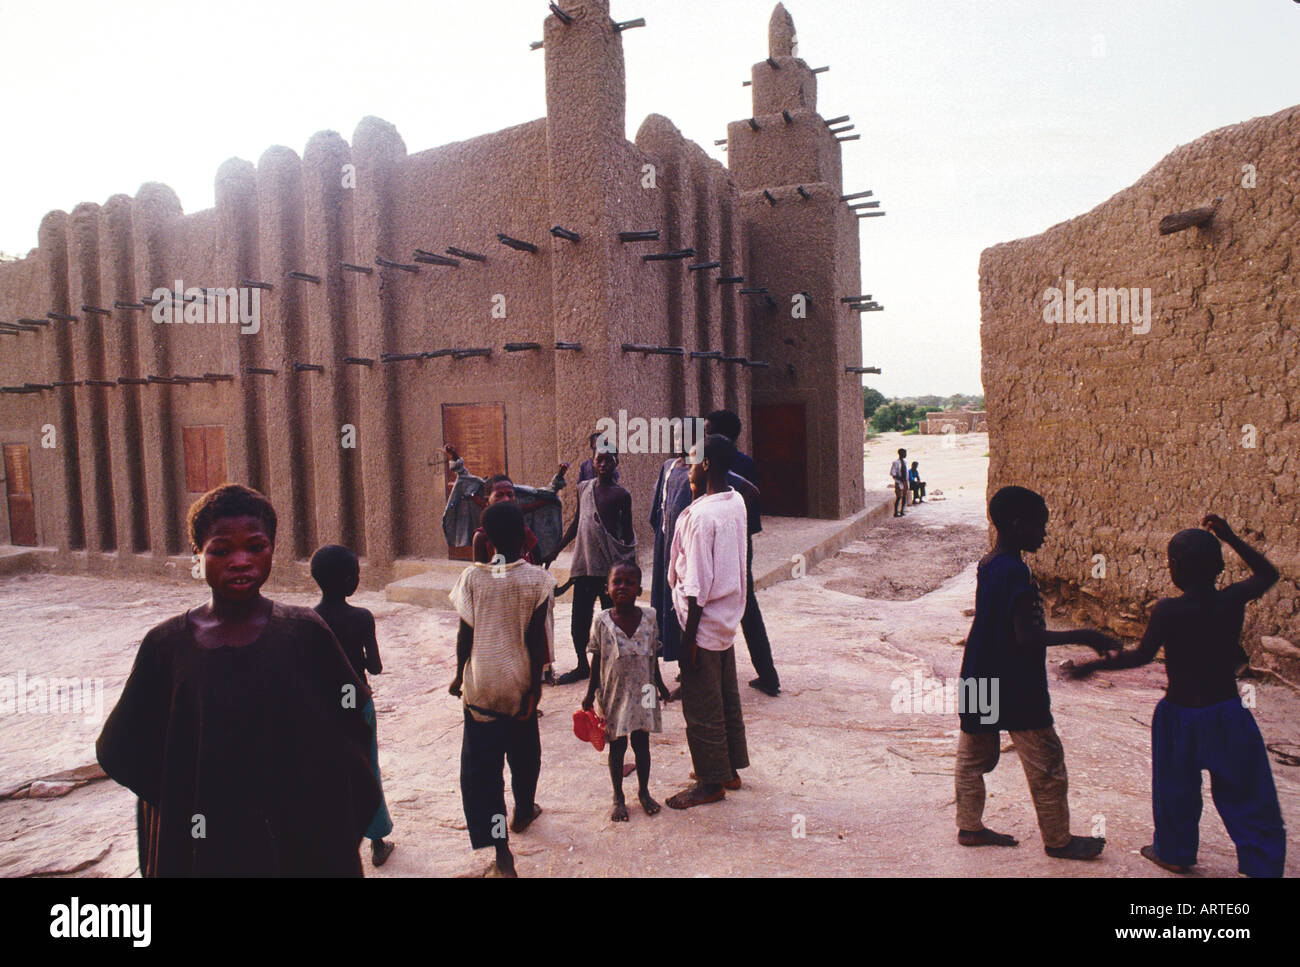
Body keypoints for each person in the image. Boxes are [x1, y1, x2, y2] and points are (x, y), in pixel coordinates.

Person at [96, 485, 380, 876]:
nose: (241, 561)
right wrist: (184, 797)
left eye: (256, 546)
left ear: (273, 549)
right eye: (221, 550)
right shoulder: (167, 646)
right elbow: (120, 749)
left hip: (298, 843)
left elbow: (352, 725)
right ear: (198, 554)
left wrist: (331, 816)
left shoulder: (304, 633)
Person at [1067, 514, 1284, 877]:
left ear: (1176, 568)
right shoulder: (1232, 600)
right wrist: (1230, 537)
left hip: (1179, 715)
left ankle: (1174, 852)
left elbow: (1140, 656)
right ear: (1218, 566)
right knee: (1247, 793)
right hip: (1227, 712)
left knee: (1175, 792)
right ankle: (1263, 865)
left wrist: (1093, 666)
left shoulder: (1168, 609)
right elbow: (1268, 574)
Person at [954, 485, 1121, 859]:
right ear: (1017, 525)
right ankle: (1059, 840)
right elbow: (1027, 638)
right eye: (1039, 526)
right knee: (1047, 764)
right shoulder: (1017, 572)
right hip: (1016, 684)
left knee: (973, 757)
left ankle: (969, 826)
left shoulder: (989, 563)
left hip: (980, 673)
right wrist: (1086, 634)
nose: (1044, 533)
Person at [449, 501, 554, 877]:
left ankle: (503, 854)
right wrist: (534, 693)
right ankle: (524, 809)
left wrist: (460, 677)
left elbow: (466, 635)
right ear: (525, 535)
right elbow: (537, 641)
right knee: (525, 757)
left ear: (487, 540)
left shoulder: (473, 579)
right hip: (518, 686)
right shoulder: (538, 580)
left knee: (484, 775)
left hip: (482, 688)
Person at [665, 434, 750, 809]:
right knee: (725, 697)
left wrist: (688, 642)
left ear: (708, 465)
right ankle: (728, 768)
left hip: (701, 623)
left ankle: (710, 782)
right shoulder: (736, 502)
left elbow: (696, 586)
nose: (687, 467)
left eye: (693, 460)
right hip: (727, 620)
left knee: (701, 707)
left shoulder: (701, 516)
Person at [311, 544, 395, 868]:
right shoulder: (361, 617)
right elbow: (374, 667)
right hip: (357, 702)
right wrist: (356, 658)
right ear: (349, 580)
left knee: (330, 770)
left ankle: (335, 838)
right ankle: (377, 841)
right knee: (367, 767)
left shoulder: (310, 618)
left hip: (323, 706)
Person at [583, 562, 672, 821]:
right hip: (613, 693)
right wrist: (590, 694)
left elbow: (652, 654)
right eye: (617, 582)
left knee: (642, 745)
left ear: (639, 589)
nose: (622, 587)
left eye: (629, 583)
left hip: (644, 692)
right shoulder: (601, 620)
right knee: (617, 746)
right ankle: (618, 797)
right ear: (607, 589)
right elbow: (597, 658)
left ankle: (644, 792)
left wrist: (661, 685)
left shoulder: (650, 617)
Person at [706, 409, 780, 697]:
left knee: (709, 604)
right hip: (740, 543)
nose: (705, 434)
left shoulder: (718, 463)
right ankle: (767, 675)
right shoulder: (745, 462)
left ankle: (704, 672)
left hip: (726, 543)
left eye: (709, 429)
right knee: (746, 607)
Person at [547, 450, 636, 685]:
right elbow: (578, 521)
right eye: (600, 459)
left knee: (612, 622)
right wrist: (557, 549)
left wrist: (628, 568)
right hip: (585, 567)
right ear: (592, 461)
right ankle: (582, 665)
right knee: (579, 623)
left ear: (617, 461)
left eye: (609, 459)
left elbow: (626, 534)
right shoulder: (584, 488)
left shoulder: (621, 495)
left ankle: (616, 666)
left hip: (610, 571)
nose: (604, 463)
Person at [441, 444, 568, 565]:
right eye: (499, 495)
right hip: (497, 580)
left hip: (523, 579)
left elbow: (536, 562)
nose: (506, 499)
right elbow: (483, 573)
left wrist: (558, 479)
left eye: (510, 494)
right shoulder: (481, 537)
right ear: (487, 500)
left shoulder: (524, 531)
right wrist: (455, 457)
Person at [891, 448, 909, 517]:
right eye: (904, 453)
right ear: (900, 454)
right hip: (899, 482)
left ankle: (902, 510)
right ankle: (896, 512)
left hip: (905, 482)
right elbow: (893, 473)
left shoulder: (905, 462)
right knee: (898, 497)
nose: (905, 455)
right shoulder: (896, 463)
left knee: (904, 496)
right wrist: (899, 478)